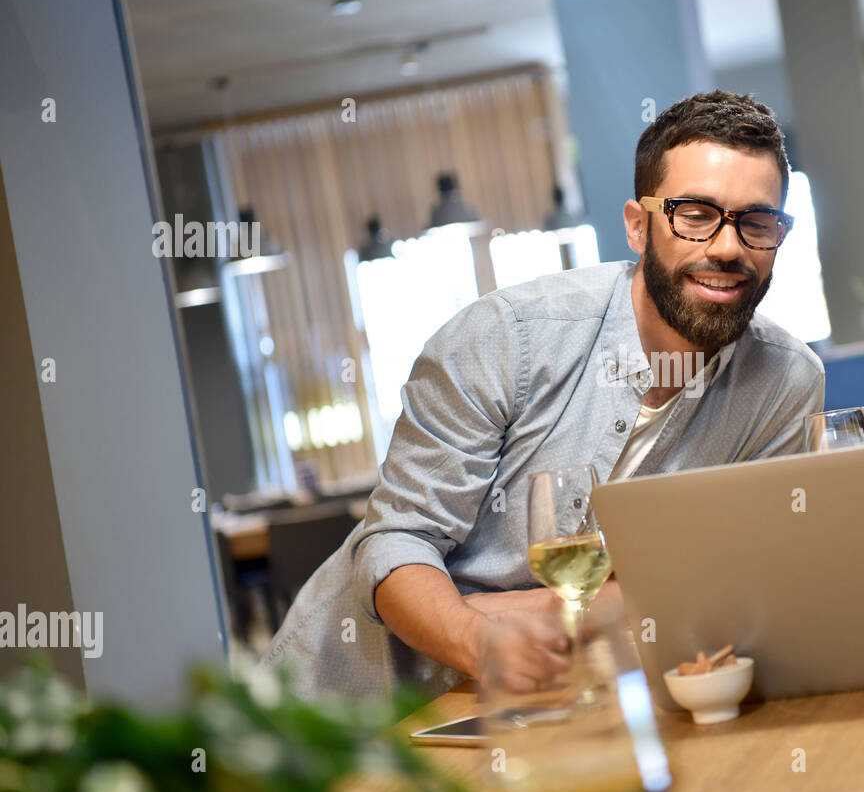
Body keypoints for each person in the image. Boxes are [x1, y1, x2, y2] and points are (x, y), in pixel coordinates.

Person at [266, 90, 825, 697]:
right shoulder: (504, 337)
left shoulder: (785, 384)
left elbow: (735, 578)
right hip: (359, 710)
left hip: (565, 702)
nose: (728, 247)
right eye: (694, 215)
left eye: (757, 222)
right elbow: (398, 541)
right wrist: (482, 637)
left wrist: (541, 611)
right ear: (638, 227)